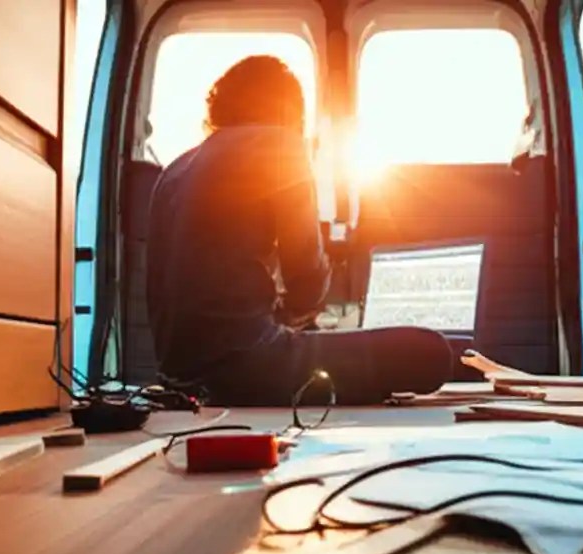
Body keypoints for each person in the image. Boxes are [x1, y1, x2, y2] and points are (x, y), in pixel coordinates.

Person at [146, 55, 452, 406]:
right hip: (247, 367)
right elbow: (306, 280)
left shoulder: (172, 171)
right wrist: (290, 315)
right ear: (291, 112)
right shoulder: (281, 145)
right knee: (430, 351)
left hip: (175, 377)